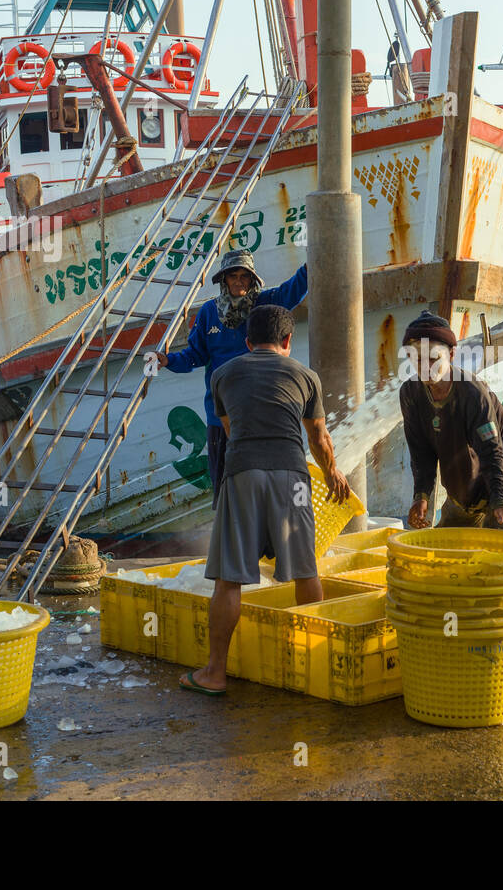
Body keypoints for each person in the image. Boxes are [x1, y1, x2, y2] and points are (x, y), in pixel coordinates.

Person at [179, 304, 349, 695]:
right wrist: (334, 472)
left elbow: (230, 427)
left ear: (247, 341)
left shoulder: (222, 375)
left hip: (242, 475)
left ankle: (214, 674)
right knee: (306, 573)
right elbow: (319, 439)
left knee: (229, 580)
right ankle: (316, 667)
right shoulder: (306, 376)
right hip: (294, 477)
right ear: (288, 341)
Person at [147, 249, 308, 501]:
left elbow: (293, 291)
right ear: (224, 280)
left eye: (245, 276)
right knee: (224, 486)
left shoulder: (264, 306)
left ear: (252, 280)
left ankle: (258, 531)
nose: (239, 281)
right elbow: (195, 355)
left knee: (259, 485)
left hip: (257, 413)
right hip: (220, 416)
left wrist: (312, 264)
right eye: (233, 276)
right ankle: (227, 529)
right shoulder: (208, 313)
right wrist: (168, 360)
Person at [400, 310, 503, 532]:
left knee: (492, 550)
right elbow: (420, 451)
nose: (425, 367)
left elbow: (492, 453)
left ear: (451, 355)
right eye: (417, 359)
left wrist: (500, 502)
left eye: (433, 358)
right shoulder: (410, 393)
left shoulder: (473, 394)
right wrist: (421, 496)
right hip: (464, 481)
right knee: (444, 547)